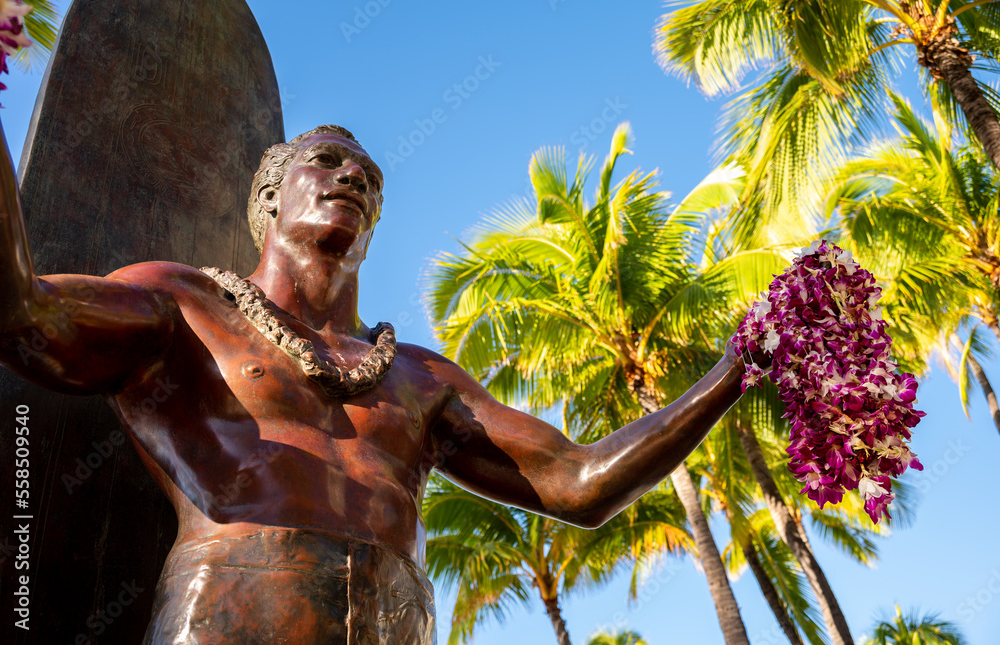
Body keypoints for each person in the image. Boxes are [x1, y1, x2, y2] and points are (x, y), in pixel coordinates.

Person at [0, 123, 762, 644]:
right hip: (229, 614)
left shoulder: (422, 377)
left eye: (367, 178)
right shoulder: (184, 304)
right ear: (270, 197)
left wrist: (738, 367)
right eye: (327, 163)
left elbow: (579, 483)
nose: (352, 177)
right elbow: (24, 315)